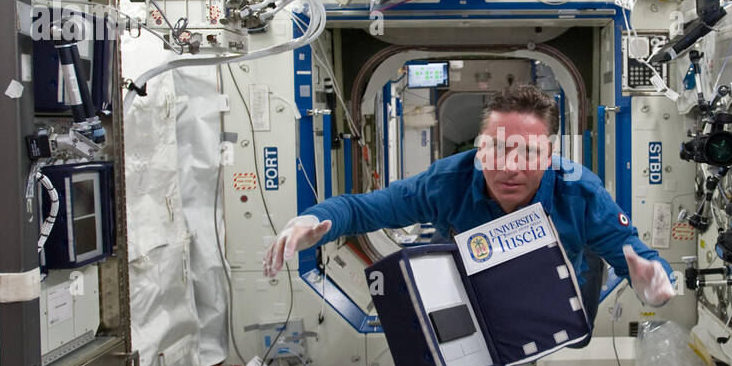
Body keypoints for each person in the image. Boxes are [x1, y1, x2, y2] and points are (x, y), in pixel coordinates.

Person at [262, 83, 676, 313]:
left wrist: (655, 284)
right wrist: (309, 220)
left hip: (562, 285)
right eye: (498, 148)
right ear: (479, 149)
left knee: (574, 337)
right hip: (483, 282)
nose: (511, 166)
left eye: (529, 152)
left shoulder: (580, 192)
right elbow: (363, 207)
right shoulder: (448, 182)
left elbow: (638, 260)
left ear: (550, 155)